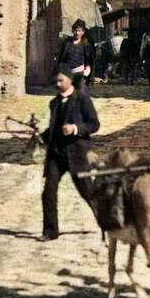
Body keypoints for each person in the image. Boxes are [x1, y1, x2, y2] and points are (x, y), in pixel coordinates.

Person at [37, 68, 100, 240]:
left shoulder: (82, 99)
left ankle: (105, 223)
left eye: (61, 81)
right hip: (56, 154)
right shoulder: (54, 103)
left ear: (70, 80)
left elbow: (94, 124)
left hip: (78, 154)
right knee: (48, 191)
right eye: (56, 81)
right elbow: (55, 128)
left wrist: (75, 129)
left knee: (88, 192)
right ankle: (50, 231)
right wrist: (42, 138)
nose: (58, 85)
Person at [54, 19, 95, 89]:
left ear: (83, 32)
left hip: (80, 72)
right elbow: (60, 58)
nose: (77, 33)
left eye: (79, 31)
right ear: (72, 31)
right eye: (75, 30)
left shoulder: (85, 44)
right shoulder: (66, 43)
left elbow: (90, 61)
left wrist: (87, 72)